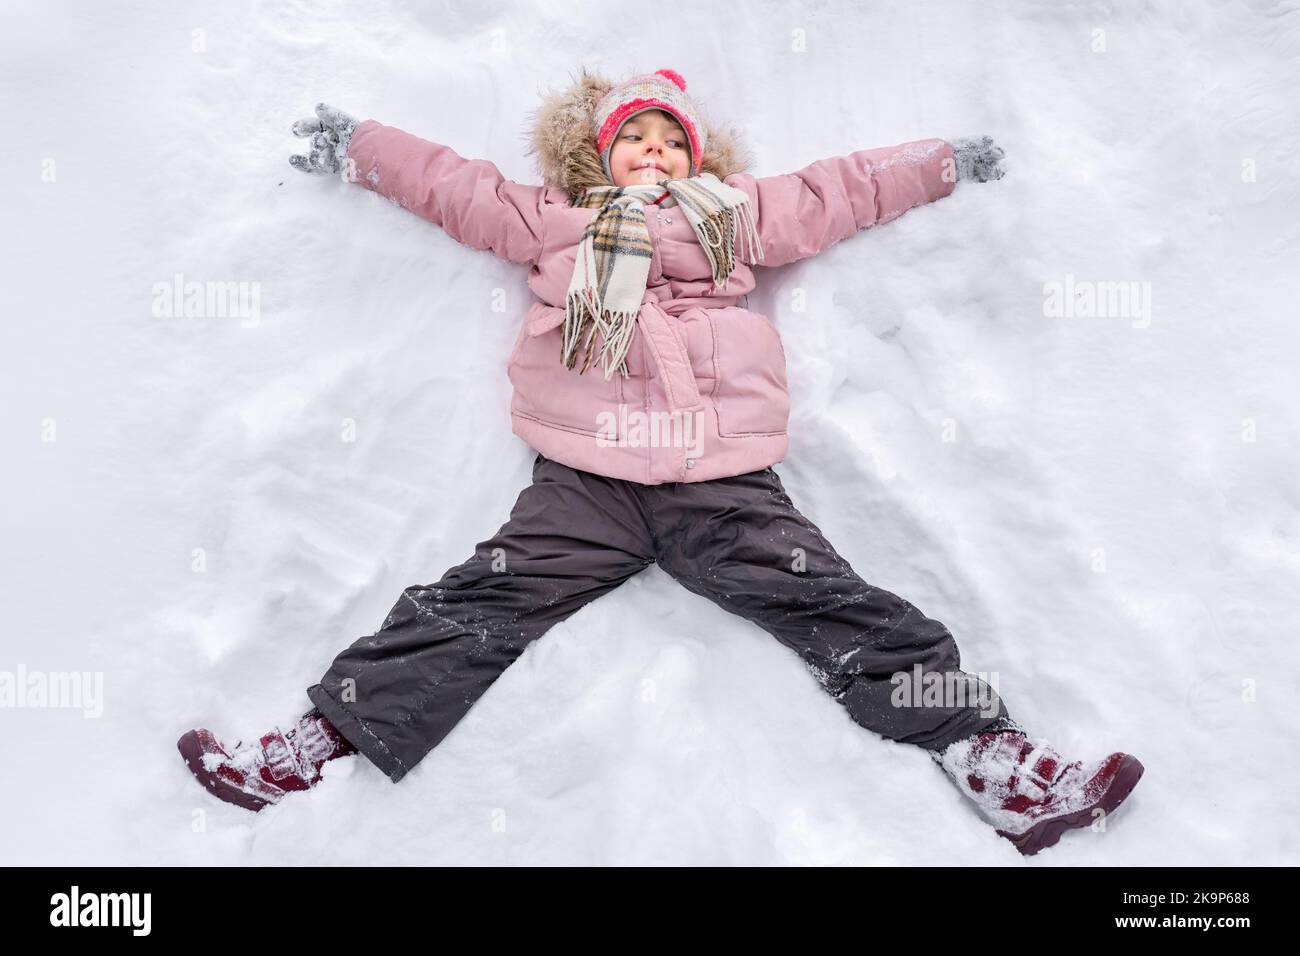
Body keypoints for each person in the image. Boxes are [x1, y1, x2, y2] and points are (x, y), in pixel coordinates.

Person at [178, 67, 1142, 856]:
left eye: (672, 141)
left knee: (836, 602)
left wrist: (938, 164)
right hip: (585, 483)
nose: (656, 153)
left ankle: (990, 754)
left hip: (718, 481)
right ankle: (317, 740)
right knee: (475, 603)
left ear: (699, 157)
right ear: (598, 157)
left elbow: (839, 191)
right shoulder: (556, 219)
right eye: (636, 140)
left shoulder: (736, 215)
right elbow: (454, 187)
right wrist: (362, 147)